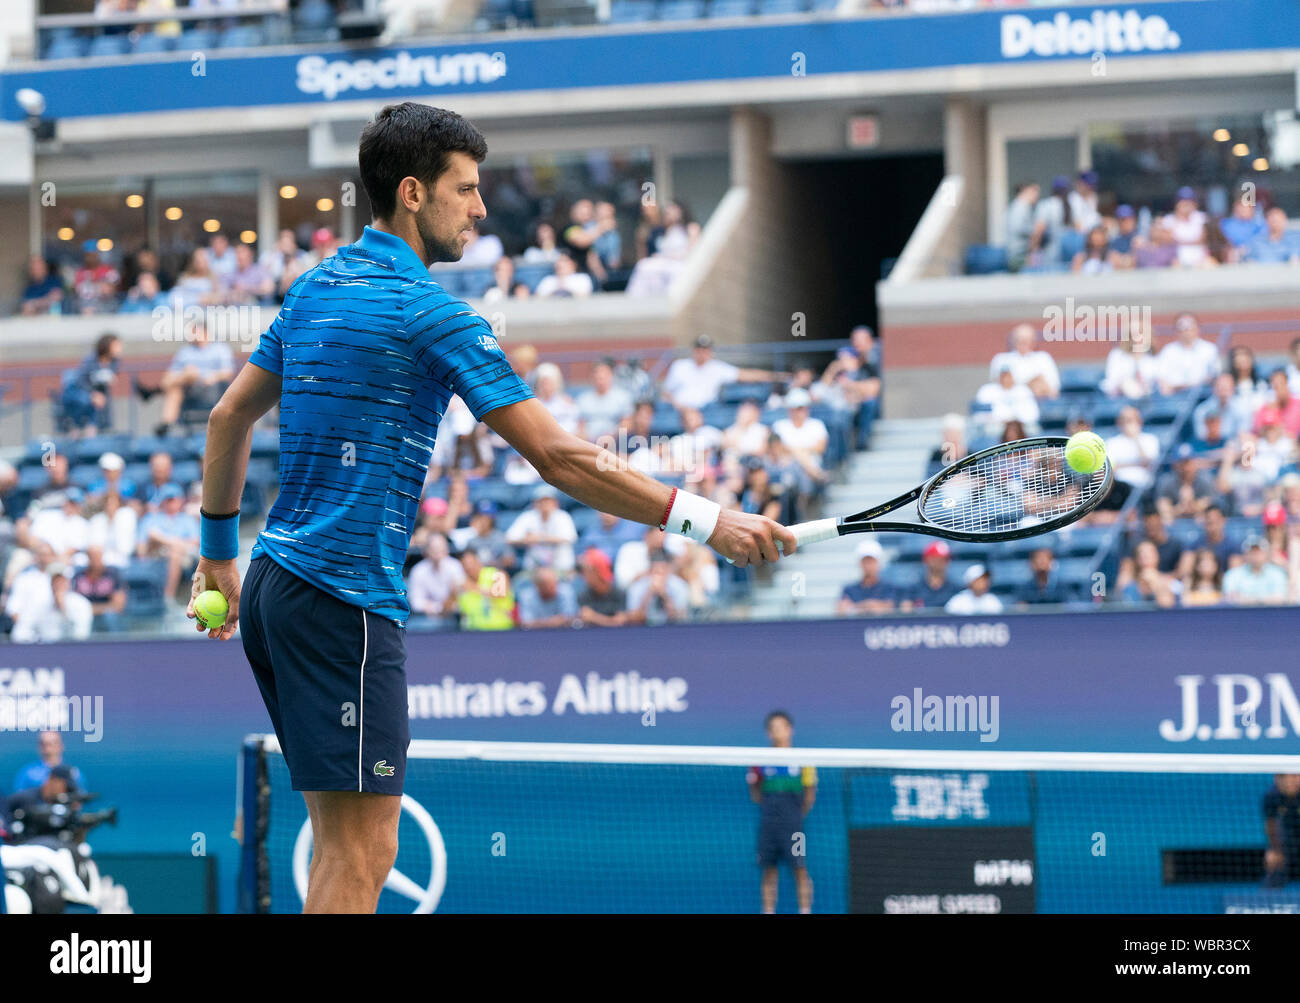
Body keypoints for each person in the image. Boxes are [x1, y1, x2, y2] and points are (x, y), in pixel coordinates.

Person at [188, 103, 792, 914]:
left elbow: (228, 417)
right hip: (344, 604)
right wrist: (707, 520)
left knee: (346, 843)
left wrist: (218, 550)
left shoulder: (313, 288)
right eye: (465, 189)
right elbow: (559, 456)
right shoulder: (434, 313)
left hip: (272, 585)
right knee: (363, 853)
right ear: (411, 193)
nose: (479, 207)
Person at [747, 711, 815, 915]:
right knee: (769, 871)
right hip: (769, 826)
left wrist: (794, 815)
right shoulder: (760, 760)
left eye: (781, 727)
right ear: (769, 733)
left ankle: (805, 910)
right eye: (773, 728)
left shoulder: (804, 760)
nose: (778, 732)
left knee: (800, 869)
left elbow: (810, 794)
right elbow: (755, 793)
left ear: (789, 730)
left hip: (794, 827)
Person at [152, 319, 235, 437]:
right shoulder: (185, 351)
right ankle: (166, 423)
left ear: (205, 332)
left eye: (195, 332)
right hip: (188, 390)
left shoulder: (220, 348)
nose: (192, 335)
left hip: (211, 389)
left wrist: (213, 377)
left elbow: (228, 372)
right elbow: (171, 373)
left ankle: (154, 391)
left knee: (190, 373)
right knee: (176, 387)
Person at [662, 335, 786, 412]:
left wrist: (777, 376)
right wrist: (681, 408)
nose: (702, 353)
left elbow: (746, 375)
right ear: (694, 350)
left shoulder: (717, 368)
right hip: (679, 412)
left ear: (710, 351)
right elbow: (666, 393)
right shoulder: (680, 366)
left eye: (705, 349)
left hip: (706, 411)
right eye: (699, 349)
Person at [60, 332, 121, 435]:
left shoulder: (115, 362)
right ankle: (76, 426)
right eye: (116, 346)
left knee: (103, 402)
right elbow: (80, 380)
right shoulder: (91, 360)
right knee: (86, 400)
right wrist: (93, 395)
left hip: (99, 395)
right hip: (79, 391)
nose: (119, 349)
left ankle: (97, 427)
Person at [989, 323, 1060, 398]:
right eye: (1019, 338)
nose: (1023, 342)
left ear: (1033, 341)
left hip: (1038, 403)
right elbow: (997, 386)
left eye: (1027, 339)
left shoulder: (1043, 358)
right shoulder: (1001, 359)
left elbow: (1053, 390)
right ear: (1013, 340)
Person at [1156, 313, 1220, 395]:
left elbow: (1214, 375)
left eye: (1189, 327)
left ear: (1197, 328)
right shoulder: (1168, 351)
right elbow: (1161, 377)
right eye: (1182, 328)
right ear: (1176, 331)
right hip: (1175, 398)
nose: (1186, 331)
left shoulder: (1209, 349)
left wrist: (1194, 386)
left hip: (1202, 396)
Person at [406, 534, 465, 621]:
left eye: (441, 548)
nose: (437, 552)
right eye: (434, 549)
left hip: (453, 617)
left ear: (447, 550)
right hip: (426, 618)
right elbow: (416, 602)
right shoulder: (418, 571)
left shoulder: (455, 566)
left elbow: (462, 597)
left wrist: (448, 605)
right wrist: (439, 608)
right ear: (426, 552)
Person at [576, 360, 633, 444]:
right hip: (589, 443)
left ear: (611, 376)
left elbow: (627, 424)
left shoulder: (622, 397)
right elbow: (580, 426)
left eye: (604, 375)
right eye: (597, 375)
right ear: (592, 377)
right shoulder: (583, 399)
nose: (600, 379)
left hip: (615, 442)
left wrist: (612, 436)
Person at [12, 732, 85, 795]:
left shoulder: (74, 773)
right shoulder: (28, 773)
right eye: (44, 744)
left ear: (61, 746)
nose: (47, 748)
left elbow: (80, 797)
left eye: (52, 743)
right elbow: (20, 799)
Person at [1222, 536, 1288, 605]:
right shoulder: (1232, 574)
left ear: (1266, 554)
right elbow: (1230, 599)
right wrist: (1262, 600)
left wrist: (1249, 600)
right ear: (1245, 555)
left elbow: (1280, 598)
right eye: (1252, 552)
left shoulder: (1277, 573)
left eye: (1258, 552)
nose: (1255, 556)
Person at [836, 539, 895, 615]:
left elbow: (890, 609)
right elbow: (841, 610)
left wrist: (855, 608)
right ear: (860, 563)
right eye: (865, 561)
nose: (868, 565)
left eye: (871, 561)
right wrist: (871, 606)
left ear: (879, 562)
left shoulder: (889, 588)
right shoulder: (849, 589)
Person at [1262, 774, 1300, 887]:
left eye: (1295, 776)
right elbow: (1271, 826)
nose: (1290, 781)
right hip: (1286, 845)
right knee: (1274, 865)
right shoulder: (1271, 797)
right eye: (1284, 777)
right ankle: (1266, 902)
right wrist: (1274, 850)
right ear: (1277, 779)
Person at [900, 540, 959, 611]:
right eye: (935, 558)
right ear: (926, 560)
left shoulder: (955, 589)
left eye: (944, 559)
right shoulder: (913, 589)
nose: (939, 562)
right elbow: (905, 612)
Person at [575, 547, 628, 627]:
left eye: (588, 571)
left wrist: (594, 617)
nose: (584, 576)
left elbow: (620, 621)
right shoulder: (583, 595)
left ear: (599, 572)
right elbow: (584, 618)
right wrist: (609, 620)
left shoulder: (620, 593)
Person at [515, 566, 579, 629]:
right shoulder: (526, 596)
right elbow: (526, 623)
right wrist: (552, 622)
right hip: (535, 636)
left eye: (554, 584)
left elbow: (571, 619)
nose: (553, 588)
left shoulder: (566, 591)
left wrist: (540, 623)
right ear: (538, 586)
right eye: (547, 586)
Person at [1162, 186, 1208, 267]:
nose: (1186, 204)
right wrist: (1192, 241)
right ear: (1177, 203)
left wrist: (1180, 241)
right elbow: (1168, 241)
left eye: (1189, 201)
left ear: (1195, 203)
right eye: (1183, 200)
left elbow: (1204, 239)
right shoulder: (1169, 220)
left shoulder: (1201, 217)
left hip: (1200, 260)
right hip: (1176, 261)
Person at [1004, 181, 1040, 272]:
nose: (1037, 195)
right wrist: (1035, 230)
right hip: (1017, 253)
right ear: (1026, 191)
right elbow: (1018, 227)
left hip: (1019, 253)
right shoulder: (1020, 207)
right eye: (1034, 191)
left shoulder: (1023, 206)